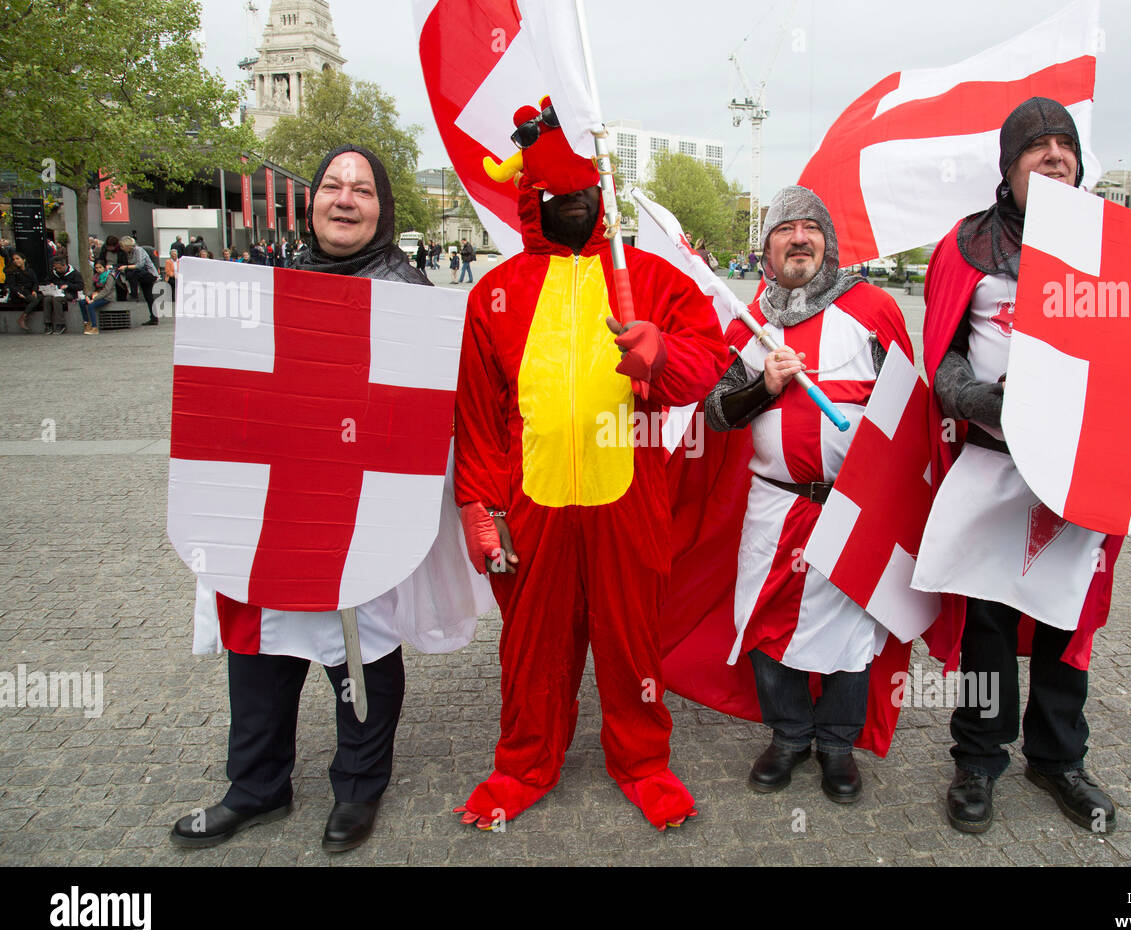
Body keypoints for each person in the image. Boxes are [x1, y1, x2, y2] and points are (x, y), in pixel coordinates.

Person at [453, 98, 727, 830]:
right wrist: (481, 510)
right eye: (555, 196)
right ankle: (522, 763)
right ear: (531, 200)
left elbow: (710, 362)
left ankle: (642, 762)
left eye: (582, 193)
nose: (571, 205)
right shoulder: (495, 295)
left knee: (631, 636)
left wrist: (660, 353)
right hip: (532, 505)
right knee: (531, 645)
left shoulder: (652, 282)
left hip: (629, 500)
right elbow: (478, 418)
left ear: (601, 195)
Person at [171, 144, 448, 854]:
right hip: (276, 502)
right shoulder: (273, 281)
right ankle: (257, 788)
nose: (344, 198)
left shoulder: (406, 293)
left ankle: (359, 789)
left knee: (362, 647)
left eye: (361, 189)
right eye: (332, 186)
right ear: (314, 201)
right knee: (260, 643)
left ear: (381, 208)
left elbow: (420, 421)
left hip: (361, 506)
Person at [913, 97, 1122, 836]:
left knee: (1069, 615)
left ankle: (1059, 757)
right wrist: (978, 399)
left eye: (1065, 144)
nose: (1055, 154)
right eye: (1038, 147)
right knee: (988, 623)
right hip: (994, 459)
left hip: (1084, 468)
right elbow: (941, 353)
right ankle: (978, 756)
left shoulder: (1112, 245)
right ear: (1010, 166)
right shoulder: (967, 245)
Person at [702, 186, 912, 803]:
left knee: (852, 625)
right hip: (774, 504)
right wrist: (763, 386)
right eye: (784, 228)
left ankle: (839, 746)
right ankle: (790, 736)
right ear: (766, 247)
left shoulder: (872, 310)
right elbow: (718, 413)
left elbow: (910, 410)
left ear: (828, 241)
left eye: (810, 228)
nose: (799, 238)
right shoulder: (751, 323)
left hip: (851, 505)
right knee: (768, 620)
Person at [117, 236, 159, 324]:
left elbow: (140, 265)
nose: (122, 249)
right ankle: (154, 317)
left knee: (131, 273)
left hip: (149, 274)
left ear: (128, 246)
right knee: (148, 296)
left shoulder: (138, 250)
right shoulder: (129, 253)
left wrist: (126, 267)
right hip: (141, 274)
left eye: (123, 247)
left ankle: (134, 294)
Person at [41, 255, 84, 334]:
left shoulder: (75, 273)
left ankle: (60, 324)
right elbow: (46, 281)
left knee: (57, 299)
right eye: (56, 268)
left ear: (65, 265)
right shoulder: (53, 273)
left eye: (60, 268)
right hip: (55, 292)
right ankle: (48, 323)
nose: (58, 270)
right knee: (47, 299)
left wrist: (68, 286)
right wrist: (49, 284)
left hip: (69, 293)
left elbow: (80, 286)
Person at [8, 253, 41, 332]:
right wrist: (18, 293)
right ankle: (22, 318)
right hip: (19, 294)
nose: (15, 261)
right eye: (14, 259)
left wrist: (34, 290)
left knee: (40, 297)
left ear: (23, 260)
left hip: (29, 292)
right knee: (34, 300)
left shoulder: (30, 270)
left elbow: (35, 282)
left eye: (17, 258)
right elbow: (12, 286)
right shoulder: (12, 272)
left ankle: (23, 317)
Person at [81, 262, 114, 335]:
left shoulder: (109, 276)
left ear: (104, 267)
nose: (98, 269)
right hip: (95, 295)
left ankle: (94, 327)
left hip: (106, 297)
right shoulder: (95, 276)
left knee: (91, 306)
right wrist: (87, 296)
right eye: (96, 268)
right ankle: (87, 323)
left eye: (100, 267)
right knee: (82, 302)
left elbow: (106, 290)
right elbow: (92, 288)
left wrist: (94, 299)